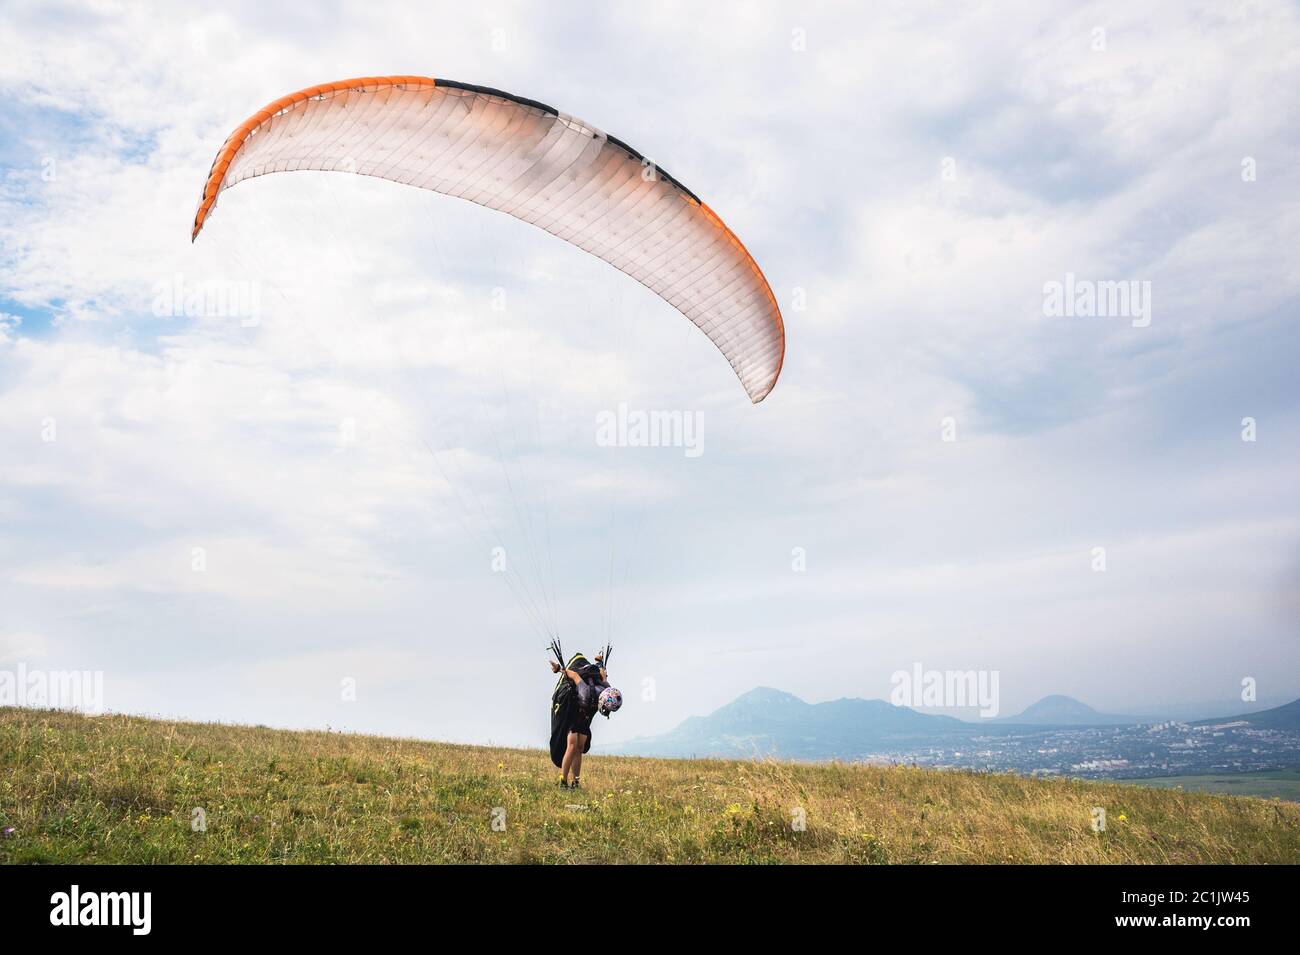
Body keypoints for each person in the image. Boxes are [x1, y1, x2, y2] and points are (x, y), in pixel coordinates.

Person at [548, 649, 621, 789]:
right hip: (573, 714)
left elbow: (603, 675)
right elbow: (574, 675)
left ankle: (576, 782)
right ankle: (563, 782)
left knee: (580, 748)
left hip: (585, 718)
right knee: (571, 746)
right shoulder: (585, 691)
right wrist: (558, 669)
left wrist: (599, 663)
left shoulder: (606, 688)